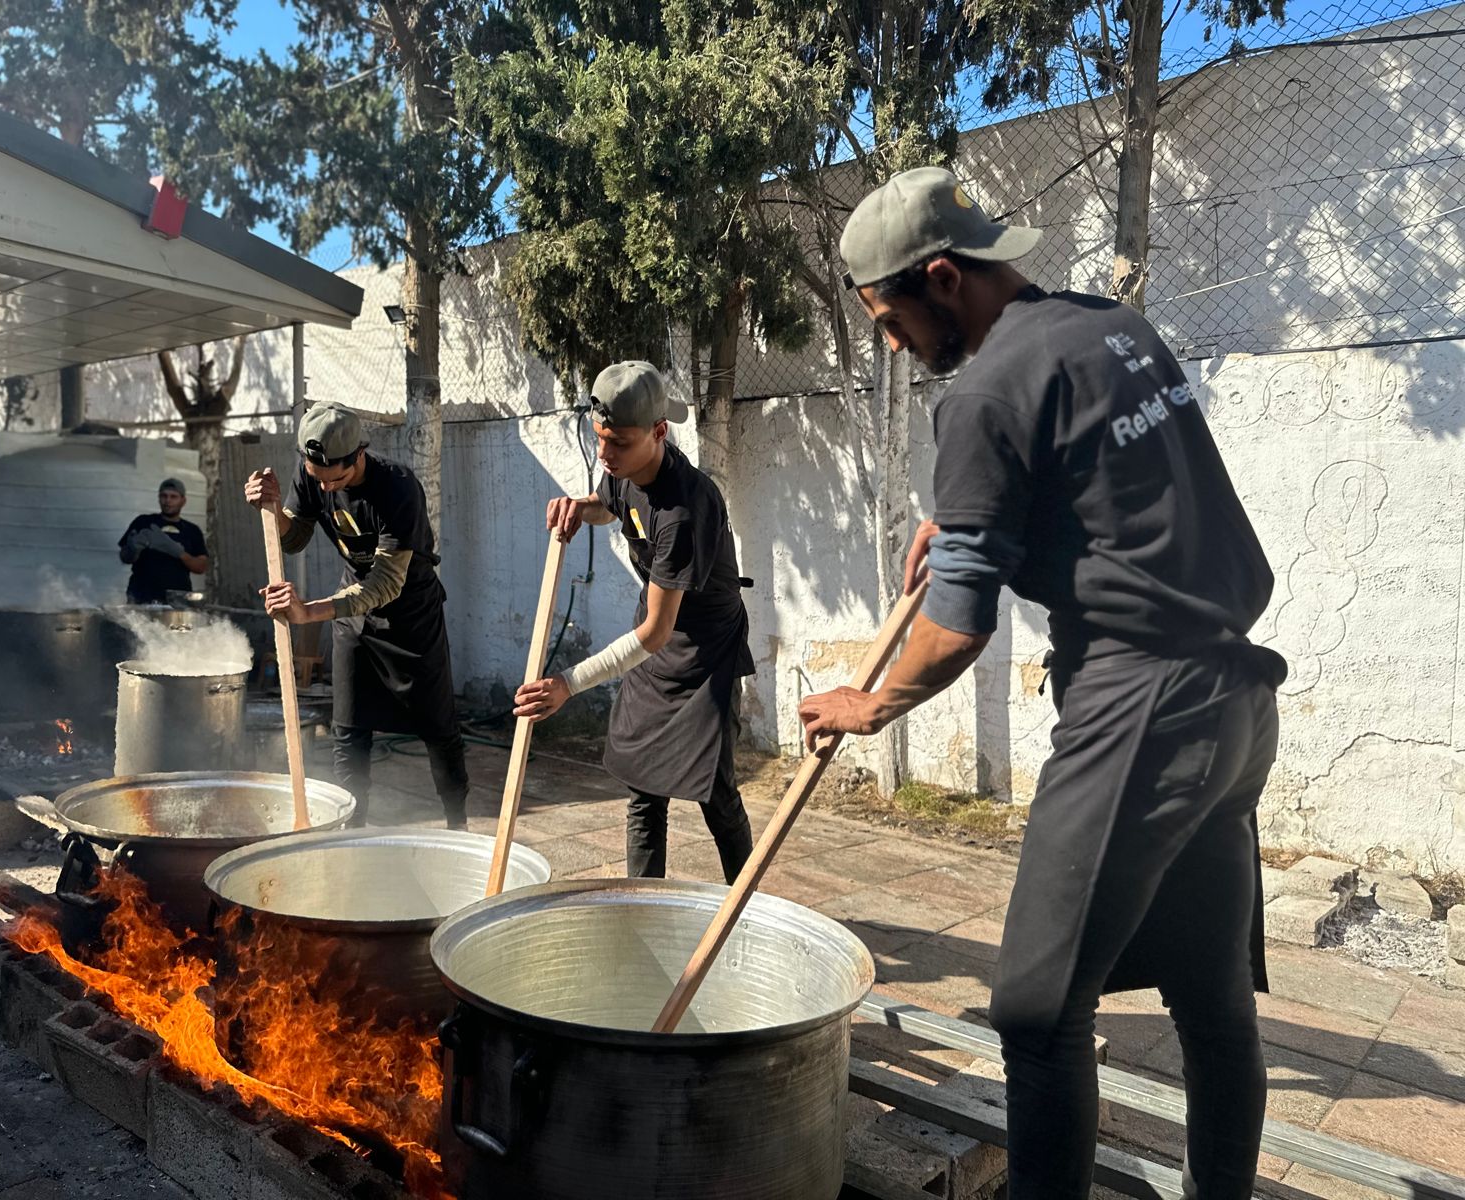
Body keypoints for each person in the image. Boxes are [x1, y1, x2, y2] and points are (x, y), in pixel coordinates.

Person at [798, 167, 1286, 1200]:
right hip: (1236, 706)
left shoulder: (980, 392)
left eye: (889, 320)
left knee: (1035, 1012)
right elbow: (1110, 495)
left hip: (1139, 705)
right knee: (1210, 1006)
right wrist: (978, 508)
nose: (892, 345)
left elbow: (956, 623)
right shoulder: (1110, 329)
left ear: (940, 278)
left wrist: (868, 701)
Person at [513, 361, 755, 884]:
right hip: (657, 642)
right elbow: (610, 504)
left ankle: (746, 903)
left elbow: (653, 635)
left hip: (702, 652)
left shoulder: (684, 511)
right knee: (643, 791)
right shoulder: (624, 468)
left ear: (659, 432)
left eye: (619, 443)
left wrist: (568, 684)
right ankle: (642, 903)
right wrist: (581, 507)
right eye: (600, 439)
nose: (606, 453)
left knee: (715, 791)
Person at [244, 402, 469, 830]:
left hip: (410, 615)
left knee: (439, 730)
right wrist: (273, 510)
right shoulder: (312, 474)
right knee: (348, 729)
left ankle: (458, 823)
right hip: (353, 615)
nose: (327, 489)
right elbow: (295, 538)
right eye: (318, 480)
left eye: (338, 480)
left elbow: (385, 584)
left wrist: (308, 612)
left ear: (359, 454)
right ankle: (352, 830)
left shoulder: (397, 488)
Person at [117, 478, 208, 605]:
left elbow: (200, 567)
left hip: (178, 598)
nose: (168, 501)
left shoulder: (192, 531)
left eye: (173, 497)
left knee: (178, 626)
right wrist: (133, 549)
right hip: (141, 595)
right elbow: (124, 557)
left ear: (183, 501)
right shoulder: (143, 522)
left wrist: (179, 553)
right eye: (164, 496)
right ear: (159, 498)